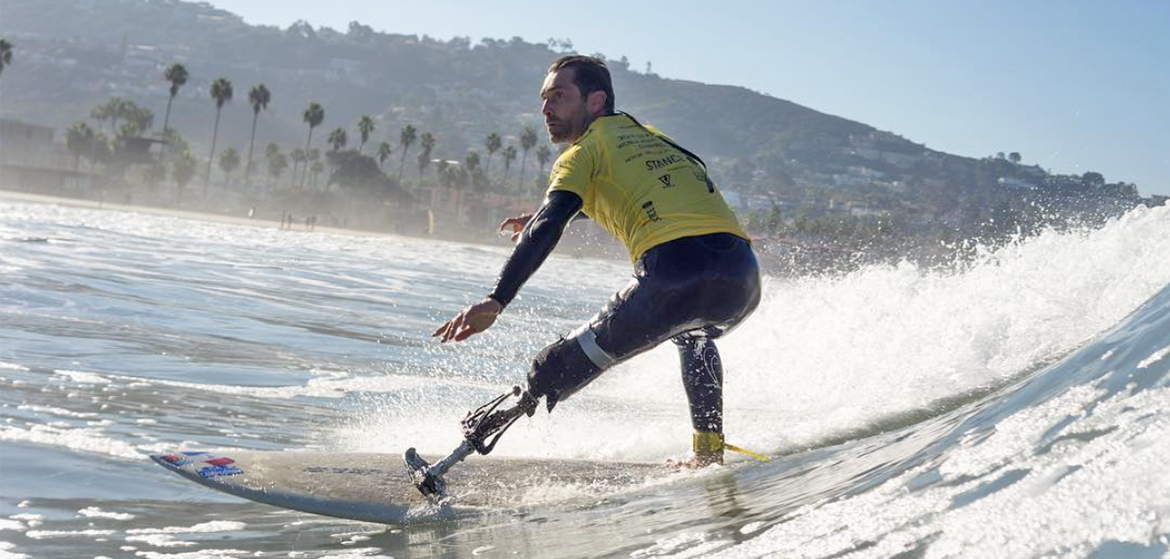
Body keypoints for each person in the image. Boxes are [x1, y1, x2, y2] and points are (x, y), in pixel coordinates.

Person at [433, 55, 760, 468]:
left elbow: (549, 226)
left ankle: (451, 461)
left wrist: (496, 298)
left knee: (550, 367)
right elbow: (629, 189)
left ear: (595, 101)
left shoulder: (582, 152)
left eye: (559, 96)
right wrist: (541, 216)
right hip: (742, 278)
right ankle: (708, 452)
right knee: (694, 337)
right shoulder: (648, 136)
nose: (546, 108)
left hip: (674, 276)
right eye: (544, 98)